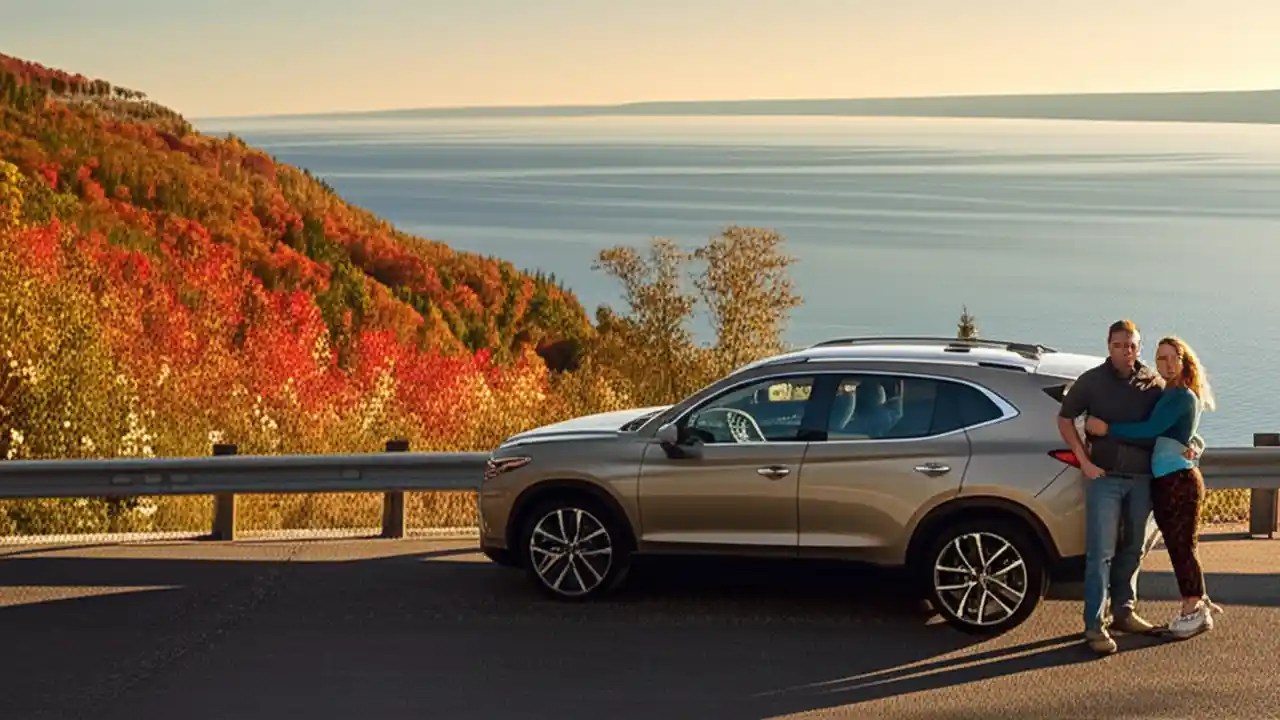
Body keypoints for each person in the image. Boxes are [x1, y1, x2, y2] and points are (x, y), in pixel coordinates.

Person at [1086, 336, 1223, 639]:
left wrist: (1108, 429)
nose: (1168, 364)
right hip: (1165, 479)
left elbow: (1151, 429)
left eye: (1174, 357)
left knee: (1182, 547)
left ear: (1185, 361)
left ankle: (1193, 609)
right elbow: (1182, 432)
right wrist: (1196, 443)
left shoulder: (1182, 396)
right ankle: (1196, 604)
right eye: (1161, 358)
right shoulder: (1167, 392)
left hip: (1179, 481)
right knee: (1179, 546)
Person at [1057, 319, 1166, 655]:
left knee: (1133, 548)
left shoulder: (1152, 383)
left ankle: (1124, 612)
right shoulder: (1092, 381)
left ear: (1139, 347)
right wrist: (1084, 462)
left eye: (1131, 346)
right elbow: (1064, 419)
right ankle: (1094, 625)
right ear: (1109, 346)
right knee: (1101, 553)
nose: (1126, 352)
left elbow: (1165, 424)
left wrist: (1189, 444)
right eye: (1119, 345)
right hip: (1104, 478)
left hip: (1142, 479)